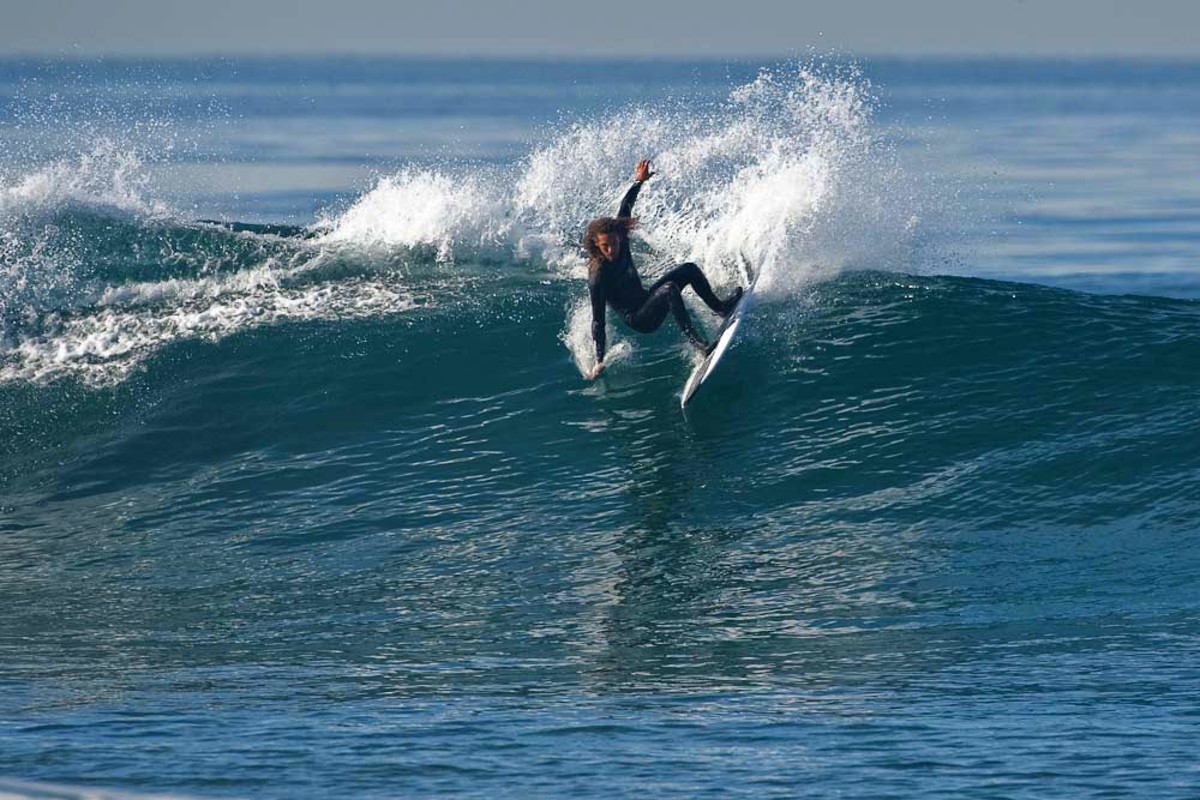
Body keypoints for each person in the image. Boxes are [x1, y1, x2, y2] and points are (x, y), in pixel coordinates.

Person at [583, 159, 742, 380]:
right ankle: (700, 345)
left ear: (619, 236)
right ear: (597, 246)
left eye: (614, 243)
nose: (612, 249)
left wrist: (639, 181)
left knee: (689, 269)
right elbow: (598, 320)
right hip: (639, 318)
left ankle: (720, 307)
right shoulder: (598, 275)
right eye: (605, 247)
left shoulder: (621, 237)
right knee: (668, 289)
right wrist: (599, 361)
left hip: (646, 297)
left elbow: (626, 204)